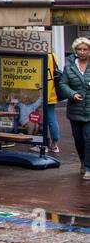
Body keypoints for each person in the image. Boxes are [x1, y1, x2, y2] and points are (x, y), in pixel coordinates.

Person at [56, 37, 90, 180]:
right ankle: (82, 161)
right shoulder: (69, 66)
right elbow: (63, 84)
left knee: (88, 138)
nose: (82, 52)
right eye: (79, 49)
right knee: (78, 138)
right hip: (75, 109)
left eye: (85, 49)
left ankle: (88, 167)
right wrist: (72, 94)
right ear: (75, 51)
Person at [44, 51, 62, 153]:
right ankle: (55, 144)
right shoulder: (52, 54)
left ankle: (43, 145)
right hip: (52, 92)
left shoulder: (42, 54)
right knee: (52, 118)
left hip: (41, 93)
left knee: (40, 119)